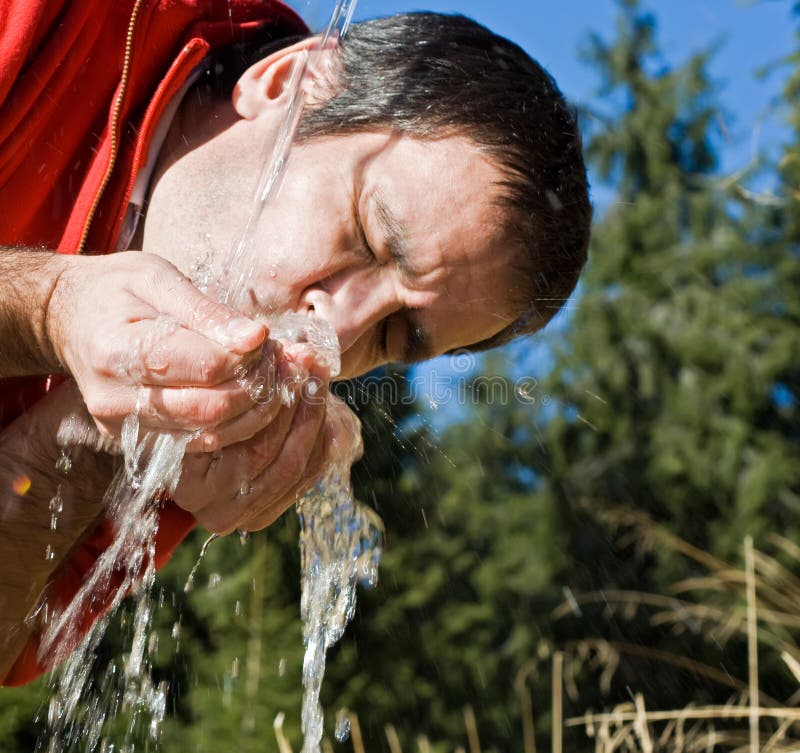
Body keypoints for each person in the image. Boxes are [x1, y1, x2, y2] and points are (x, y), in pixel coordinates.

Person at [0, 1, 591, 684]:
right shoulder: (46, 19)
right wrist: (47, 308)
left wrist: (83, 440)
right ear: (287, 82)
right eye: (367, 236)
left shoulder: (191, 417)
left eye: (392, 334)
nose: (337, 331)